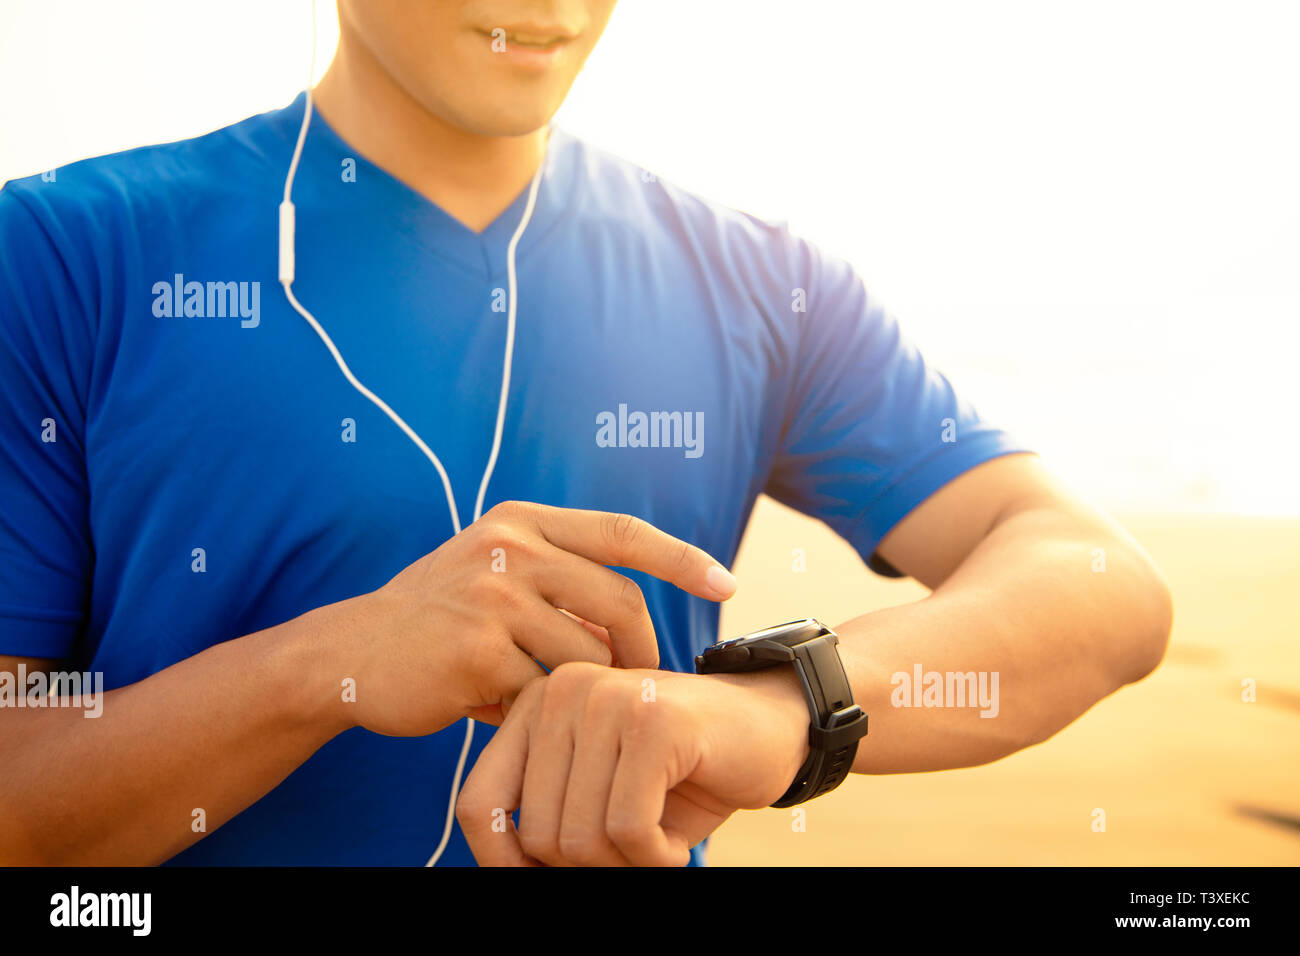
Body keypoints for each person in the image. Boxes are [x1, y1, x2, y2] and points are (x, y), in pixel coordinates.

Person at [0, 0, 1171, 867]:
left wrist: (781, 705)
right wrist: (327, 665)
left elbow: (1102, 582)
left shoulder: (762, 282)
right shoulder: (62, 254)